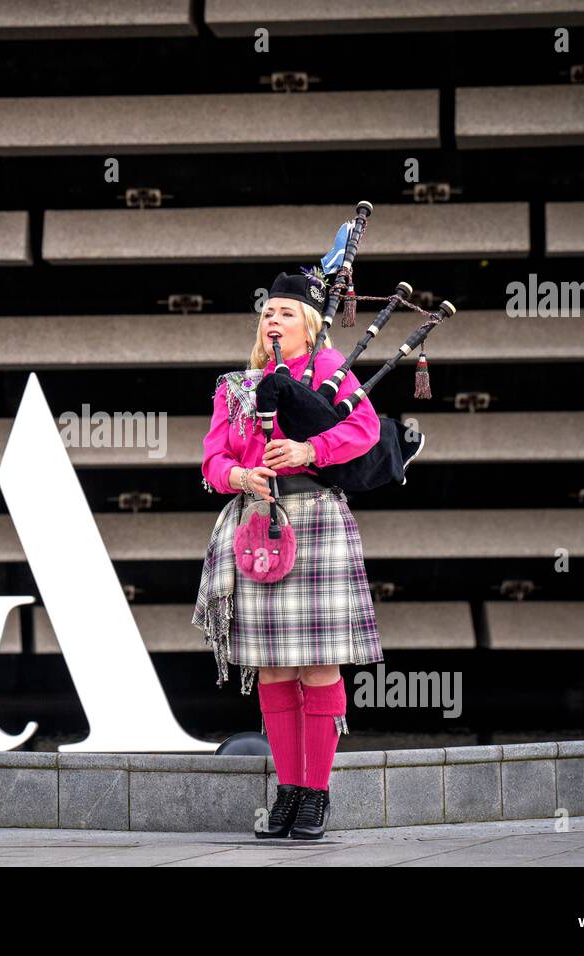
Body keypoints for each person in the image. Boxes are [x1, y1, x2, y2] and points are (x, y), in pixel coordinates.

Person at [192, 269, 384, 840]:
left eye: (287, 313)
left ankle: (316, 796)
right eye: (269, 312)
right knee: (273, 665)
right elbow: (211, 461)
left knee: (319, 661)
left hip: (315, 518)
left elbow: (365, 429)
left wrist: (308, 446)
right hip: (258, 524)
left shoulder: (332, 373)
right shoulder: (234, 386)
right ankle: (289, 793)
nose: (274, 319)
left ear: (311, 326)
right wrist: (238, 473)